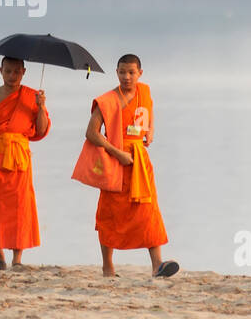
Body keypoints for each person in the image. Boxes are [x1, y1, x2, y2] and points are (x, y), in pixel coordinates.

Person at [74, 54, 178, 278]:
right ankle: (108, 267)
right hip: (116, 162)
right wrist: (117, 152)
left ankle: (157, 264)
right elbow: (91, 133)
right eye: (122, 72)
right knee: (109, 213)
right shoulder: (108, 100)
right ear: (117, 73)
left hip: (140, 162)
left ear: (140, 73)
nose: (127, 77)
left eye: (131, 72)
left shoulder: (145, 91)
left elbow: (149, 113)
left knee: (149, 211)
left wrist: (150, 131)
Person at [0, 56, 49, 271]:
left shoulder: (31, 96)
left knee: (20, 208)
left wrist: (41, 107)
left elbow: (41, 129)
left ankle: (17, 258)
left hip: (19, 161)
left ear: (23, 72)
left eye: (16, 72)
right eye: (8, 71)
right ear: (0, 70)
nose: (12, 76)